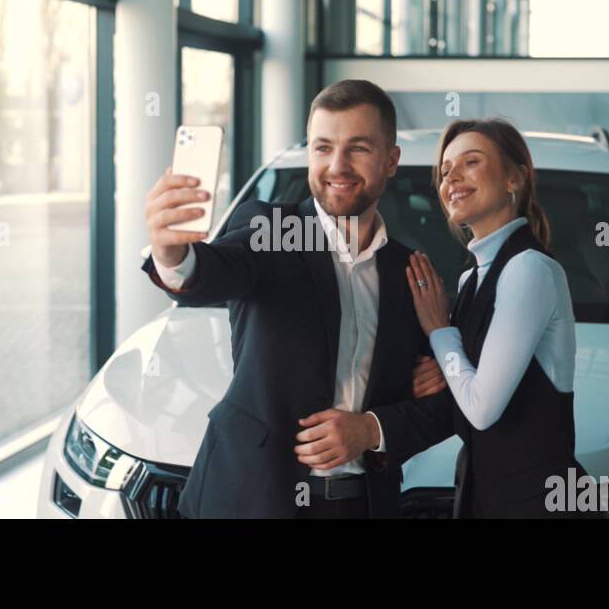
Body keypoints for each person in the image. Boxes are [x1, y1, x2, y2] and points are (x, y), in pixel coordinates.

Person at [142, 79, 447, 518]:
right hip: (251, 500)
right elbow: (216, 269)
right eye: (323, 148)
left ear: (391, 160)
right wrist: (173, 253)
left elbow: (441, 407)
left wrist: (371, 429)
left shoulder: (411, 273)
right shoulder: (273, 230)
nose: (337, 165)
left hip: (361, 507)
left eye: (358, 148)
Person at [403, 118, 591, 518]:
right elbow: (466, 381)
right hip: (485, 496)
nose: (452, 176)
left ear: (514, 179)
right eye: (445, 169)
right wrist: (440, 370)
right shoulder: (473, 277)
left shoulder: (529, 270)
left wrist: (440, 333)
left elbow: (483, 408)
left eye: (471, 162)